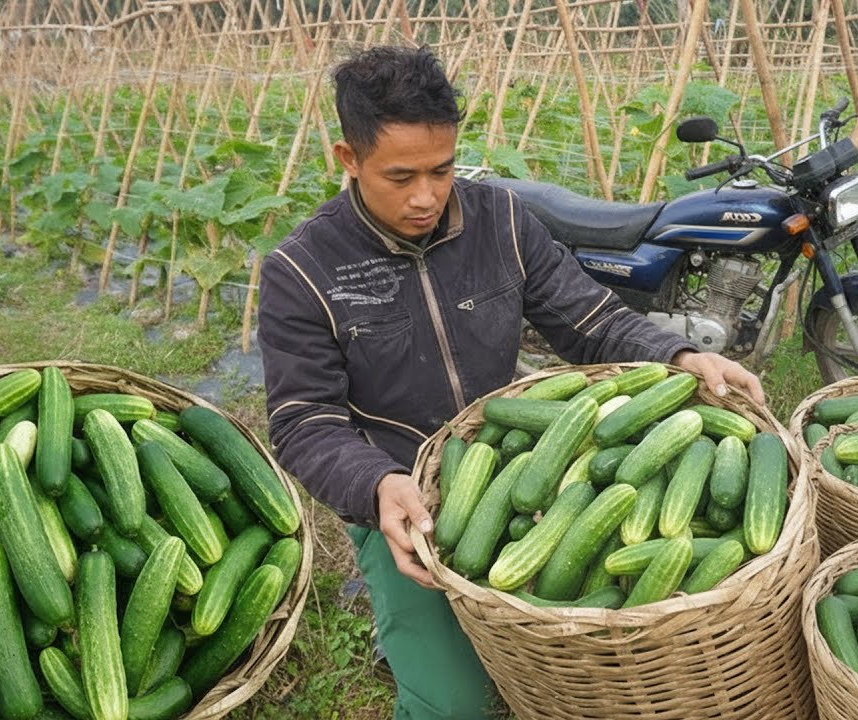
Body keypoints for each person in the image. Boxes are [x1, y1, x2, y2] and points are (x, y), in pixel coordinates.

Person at [257, 44, 765, 720]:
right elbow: (304, 422)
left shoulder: (501, 222)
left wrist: (676, 356)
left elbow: (591, 319)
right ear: (347, 159)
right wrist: (377, 486)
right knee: (457, 708)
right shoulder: (302, 269)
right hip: (407, 504)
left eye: (441, 170)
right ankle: (397, 607)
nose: (427, 196)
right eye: (400, 175)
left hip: (519, 468)